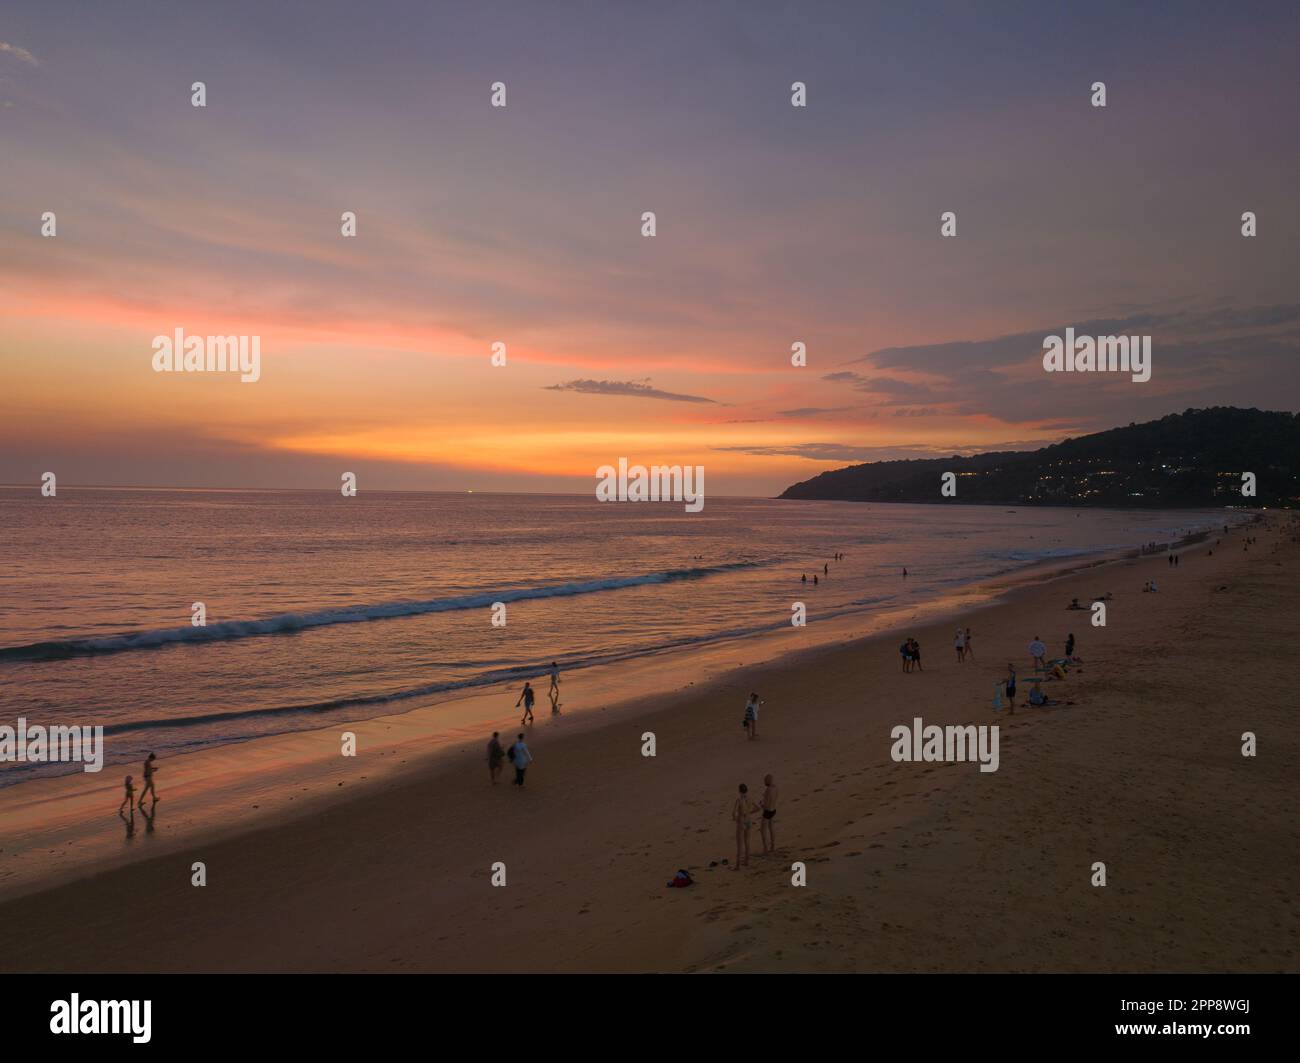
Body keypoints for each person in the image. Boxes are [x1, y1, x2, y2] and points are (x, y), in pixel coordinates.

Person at [732, 783, 758, 869]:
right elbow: (757, 808)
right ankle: (747, 861)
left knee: (739, 844)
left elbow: (734, 812)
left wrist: (736, 819)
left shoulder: (739, 800)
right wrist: (750, 813)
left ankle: (737, 865)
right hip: (748, 820)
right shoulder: (750, 798)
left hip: (741, 822)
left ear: (739, 791)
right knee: (747, 842)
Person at [760, 774, 779, 853]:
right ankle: (773, 845)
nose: (764, 782)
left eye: (765, 780)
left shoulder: (768, 790)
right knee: (772, 828)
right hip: (773, 809)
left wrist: (761, 804)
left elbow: (766, 804)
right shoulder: (776, 788)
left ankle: (765, 847)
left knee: (763, 829)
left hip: (767, 811)